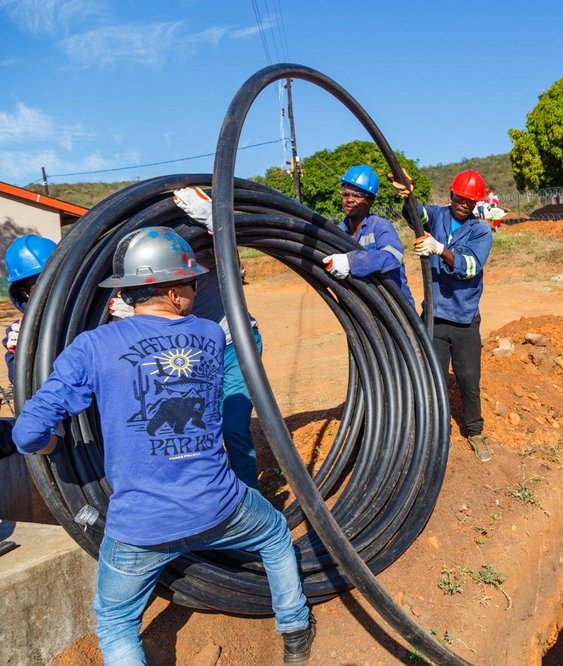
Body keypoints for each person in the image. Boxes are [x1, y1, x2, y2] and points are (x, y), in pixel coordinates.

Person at [12, 227, 315, 665]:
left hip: (140, 527)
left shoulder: (93, 347)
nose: (196, 289)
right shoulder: (211, 338)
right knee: (272, 536)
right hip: (220, 507)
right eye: (192, 283)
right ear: (173, 292)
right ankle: (295, 633)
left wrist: (51, 443)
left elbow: (25, 434)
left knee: (115, 622)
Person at [110, 187, 265, 491]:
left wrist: (214, 219)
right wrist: (137, 313)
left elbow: (235, 264)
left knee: (233, 428)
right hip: (192, 354)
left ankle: (250, 498)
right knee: (198, 431)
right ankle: (213, 495)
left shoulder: (202, 250)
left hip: (235, 344)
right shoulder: (143, 268)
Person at [390, 169, 494, 462]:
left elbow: (470, 266)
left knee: (468, 378)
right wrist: (409, 196)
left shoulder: (480, 231)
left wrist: (439, 249)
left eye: (470, 201)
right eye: (460, 197)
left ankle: (474, 431)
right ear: (451, 195)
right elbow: (417, 216)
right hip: (435, 318)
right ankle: (437, 432)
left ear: (476, 204)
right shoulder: (437, 216)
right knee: (433, 377)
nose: (464, 203)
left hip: (464, 319)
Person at [321, 165, 414, 306]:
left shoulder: (380, 226)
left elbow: (393, 256)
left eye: (357, 195)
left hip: (396, 310)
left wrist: (351, 262)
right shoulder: (339, 232)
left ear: (370, 200)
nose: (349, 200)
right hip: (365, 310)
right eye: (345, 194)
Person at [3, 234, 58, 383]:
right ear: (24, 291)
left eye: (54, 278)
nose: (50, 288)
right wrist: (20, 353)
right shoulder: (17, 332)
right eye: (38, 283)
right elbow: (22, 382)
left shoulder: (95, 311)